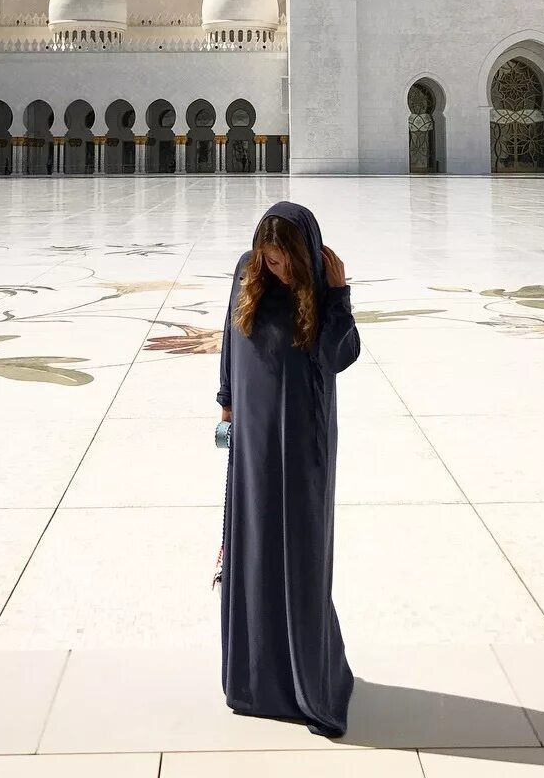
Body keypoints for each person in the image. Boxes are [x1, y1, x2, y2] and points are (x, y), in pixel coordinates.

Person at [217, 201, 361, 739]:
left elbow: (338, 356)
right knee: (254, 547)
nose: (276, 271)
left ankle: (308, 682)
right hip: (253, 437)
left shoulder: (320, 284)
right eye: (269, 261)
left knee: (299, 550)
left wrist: (338, 295)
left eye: (283, 263)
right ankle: (255, 683)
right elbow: (230, 340)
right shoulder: (245, 271)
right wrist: (226, 405)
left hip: (303, 437)